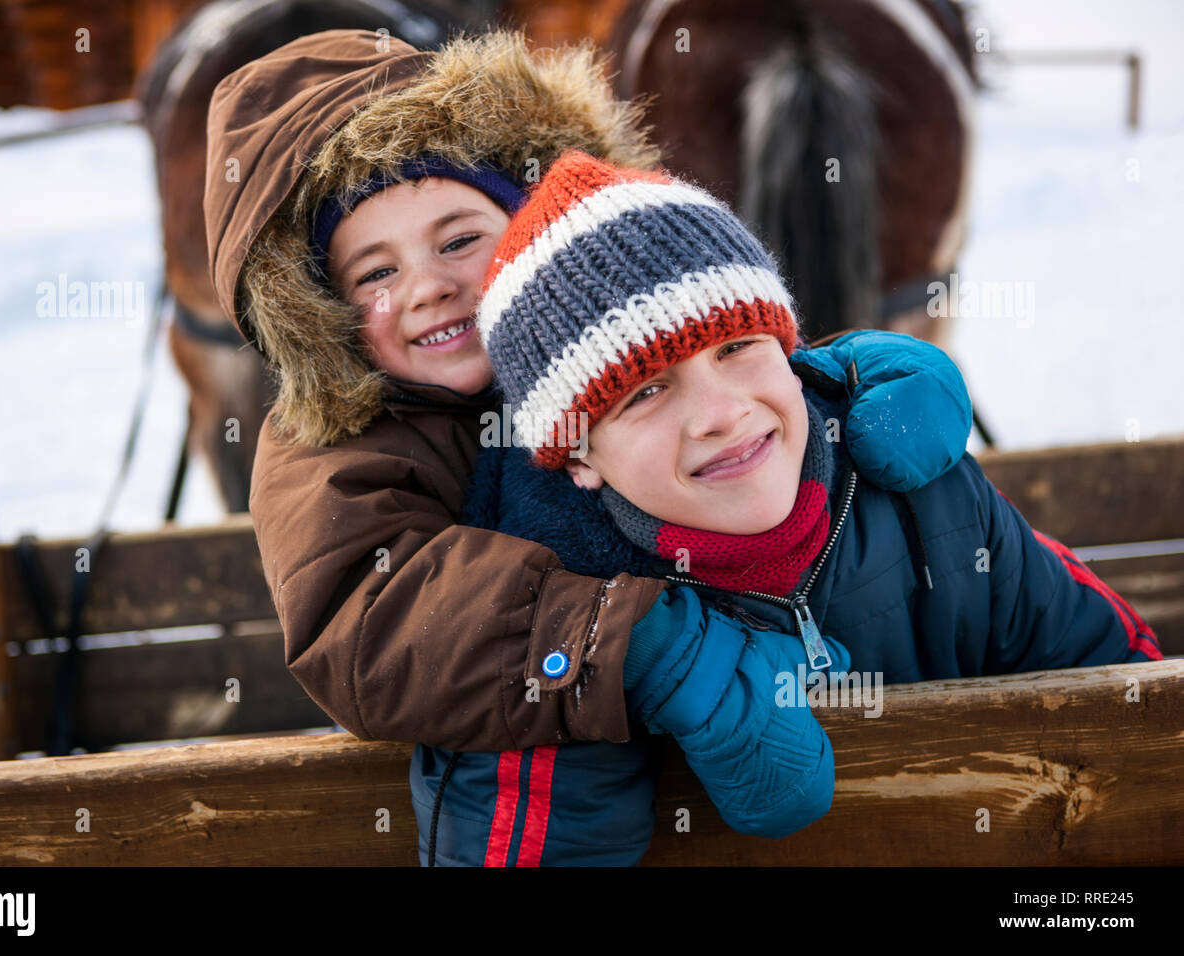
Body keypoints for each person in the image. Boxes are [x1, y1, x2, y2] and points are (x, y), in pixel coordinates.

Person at [204, 29, 977, 762]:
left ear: (526, 223)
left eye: (459, 240)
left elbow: (729, 357)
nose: (429, 289)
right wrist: (630, 642)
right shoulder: (331, 448)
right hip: (561, 770)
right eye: (375, 273)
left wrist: (855, 381)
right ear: (316, 311)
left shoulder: (596, 332)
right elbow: (369, 625)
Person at [412, 150, 1162, 866]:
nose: (721, 412)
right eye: (644, 392)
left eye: (736, 347)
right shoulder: (571, 634)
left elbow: (1130, 702)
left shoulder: (928, 502)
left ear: (790, 348)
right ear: (579, 459)